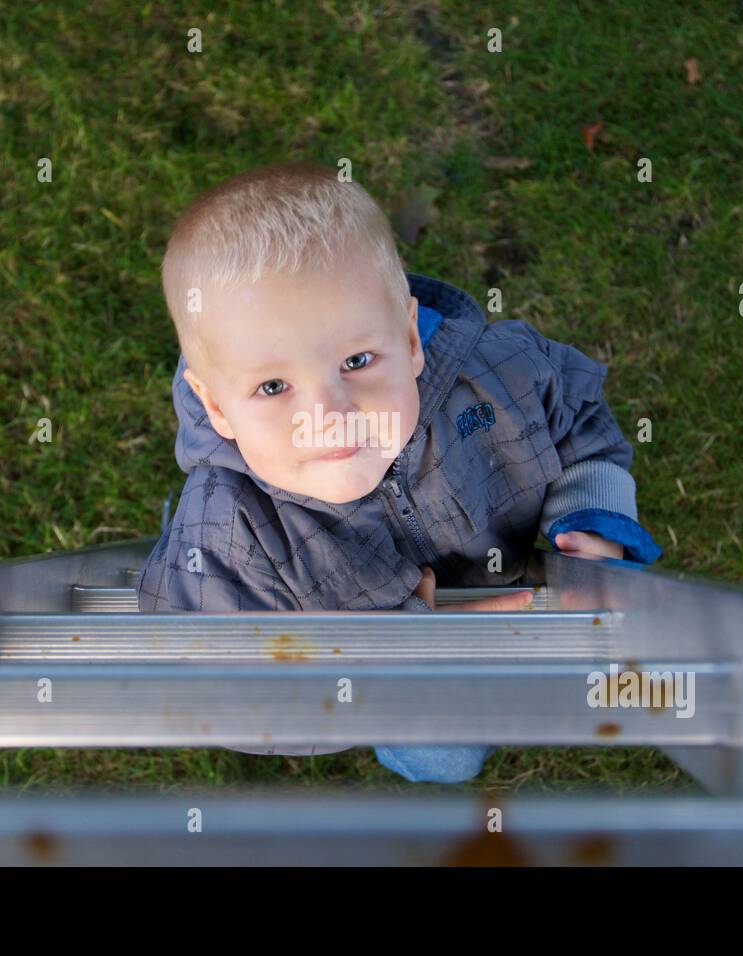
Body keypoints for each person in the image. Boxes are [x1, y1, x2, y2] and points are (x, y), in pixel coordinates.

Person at [136, 161, 663, 782]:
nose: (329, 414)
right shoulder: (226, 530)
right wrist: (406, 647)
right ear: (217, 406)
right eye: (273, 386)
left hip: (515, 580)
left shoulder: (497, 377)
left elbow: (575, 410)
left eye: (357, 360)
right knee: (447, 754)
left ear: (411, 340)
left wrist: (591, 517)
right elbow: (214, 675)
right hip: (400, 680)